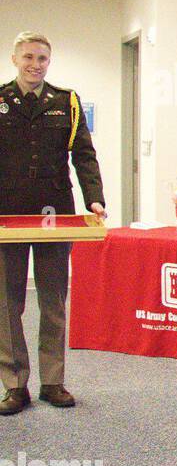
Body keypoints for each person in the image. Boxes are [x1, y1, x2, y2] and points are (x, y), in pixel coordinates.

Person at [0, 32, 106, 415]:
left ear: (49, 62)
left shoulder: (67, 102)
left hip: (55, 214)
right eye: (28, 56)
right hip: (7, 216)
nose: (35, 64)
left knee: (53, 301)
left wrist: (95, 198)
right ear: (15, 59)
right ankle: (15, 385)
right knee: (7, 304)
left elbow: (84, 155)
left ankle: (53, 381)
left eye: (42, 58)